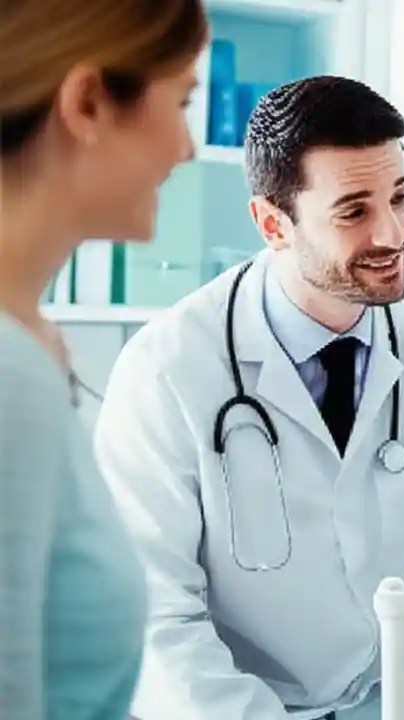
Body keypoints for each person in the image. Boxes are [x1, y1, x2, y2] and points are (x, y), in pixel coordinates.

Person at [93, 75, 404, 720]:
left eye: (401, 198)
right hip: (231, 697)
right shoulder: (169, 369)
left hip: (388, 675)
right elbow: (155, 618)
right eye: (354, 210)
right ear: (274, 224)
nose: (392, 234)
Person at [0, 1, 207, 718]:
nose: (187, 147)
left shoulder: (33, 349)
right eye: (181, 100)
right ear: (87, 101)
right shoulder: (8, 377)